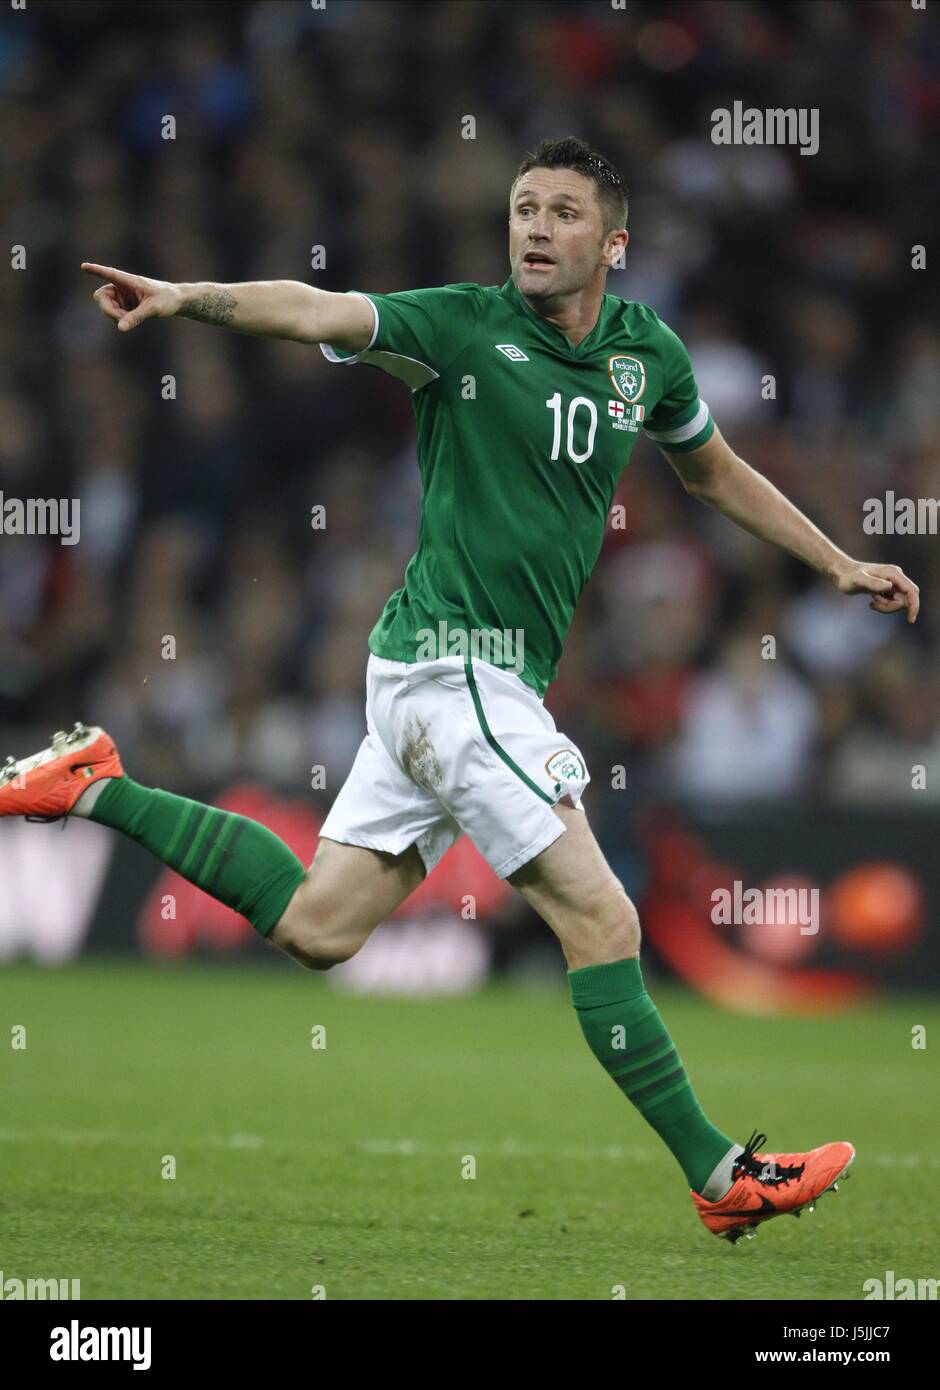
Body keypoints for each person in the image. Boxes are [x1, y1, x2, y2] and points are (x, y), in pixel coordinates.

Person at [3, 138, 918, 1242]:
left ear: (612, 243)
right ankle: (720, 1173)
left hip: (453, 679)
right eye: (523, 207)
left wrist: (835, 561)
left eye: (563, 213)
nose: (534, 227)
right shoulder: (459, 326)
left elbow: (712, 468)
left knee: (318, 926)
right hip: (456, 664)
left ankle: (97, 784)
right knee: (603, 913)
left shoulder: (647, 356)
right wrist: (191, 296)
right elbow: (321, 310)